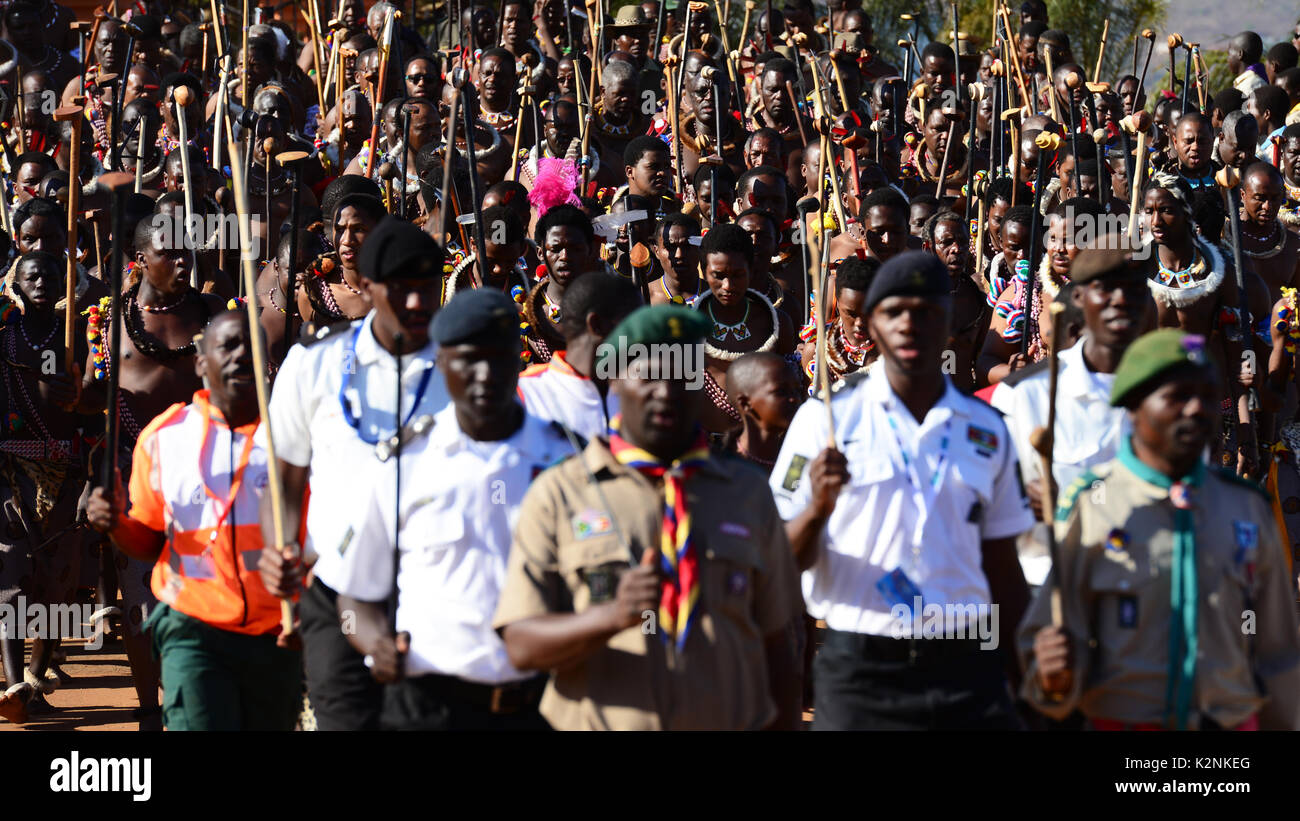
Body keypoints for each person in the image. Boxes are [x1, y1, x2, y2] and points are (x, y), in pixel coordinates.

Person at [494, 304, 802, 730]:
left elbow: (776, 645)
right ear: (616, 380)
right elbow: (521, 645)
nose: (665, 391)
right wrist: (611, 617)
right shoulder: (561, 492)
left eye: (681, 377)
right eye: (648, 375)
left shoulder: (746, 493)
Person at [771, 251, 1035, 730]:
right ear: (873, 322)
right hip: (861, 668)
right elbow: (778, 561)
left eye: (927, 312)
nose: (910, 325)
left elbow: (1003, 568)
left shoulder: (988, 428)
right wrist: (816, 508)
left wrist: (1026, 682)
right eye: (895, 312)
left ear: (950, 323)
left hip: (965, 662)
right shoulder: (826, 420)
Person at [1019, 328, 1300, 730]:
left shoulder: (1246, 507)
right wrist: (1053, 678)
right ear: (1133, 406)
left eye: (1205, 395)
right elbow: (1051, 644)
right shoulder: (1093, 506)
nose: (1195, 409)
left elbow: (1279, 654)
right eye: (1176, 397)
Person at [333, 289, 566, 730]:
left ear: (517, 360)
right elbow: (352, 597)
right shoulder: (404, 462)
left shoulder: (563, 459)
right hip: (428, 708)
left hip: (542, 706)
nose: (483, 375)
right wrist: (372, 643)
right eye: (466, 360)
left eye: (496, 358)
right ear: (441, 362)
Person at [257, 218, 451, 731]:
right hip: (334, 592)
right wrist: (279, 549)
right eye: (400, 289)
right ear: (366, 285)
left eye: (427, 288)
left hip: (435, 589)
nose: (416, 304)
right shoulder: (312, 364)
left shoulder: (463, 371)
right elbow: (284, 482)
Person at [85, 311, 301, 730]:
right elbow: (148, 542)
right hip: (192, 626)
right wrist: (114, 523)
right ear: (202, 363)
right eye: (228, 346)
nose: (241, 357)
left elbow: (320, 540)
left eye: (252, 348)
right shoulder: (165, 438)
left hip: (276, 631)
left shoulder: (295, 440)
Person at [0, 251, 87, 723]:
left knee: (57, 584)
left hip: (67, 470)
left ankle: (37, 671)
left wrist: (79, 393)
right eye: (32, 275)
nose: (42, 282)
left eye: (52, 275)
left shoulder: (78, 333)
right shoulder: (5, 335)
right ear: (18, 282)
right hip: (12, 468)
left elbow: (97, 399)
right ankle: (14, 680)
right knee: (13, 576)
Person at [518, 272, 640, 438]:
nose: (639, 336)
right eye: (631, 323)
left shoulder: (640, 391)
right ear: (596, 326)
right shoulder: (527, 393)